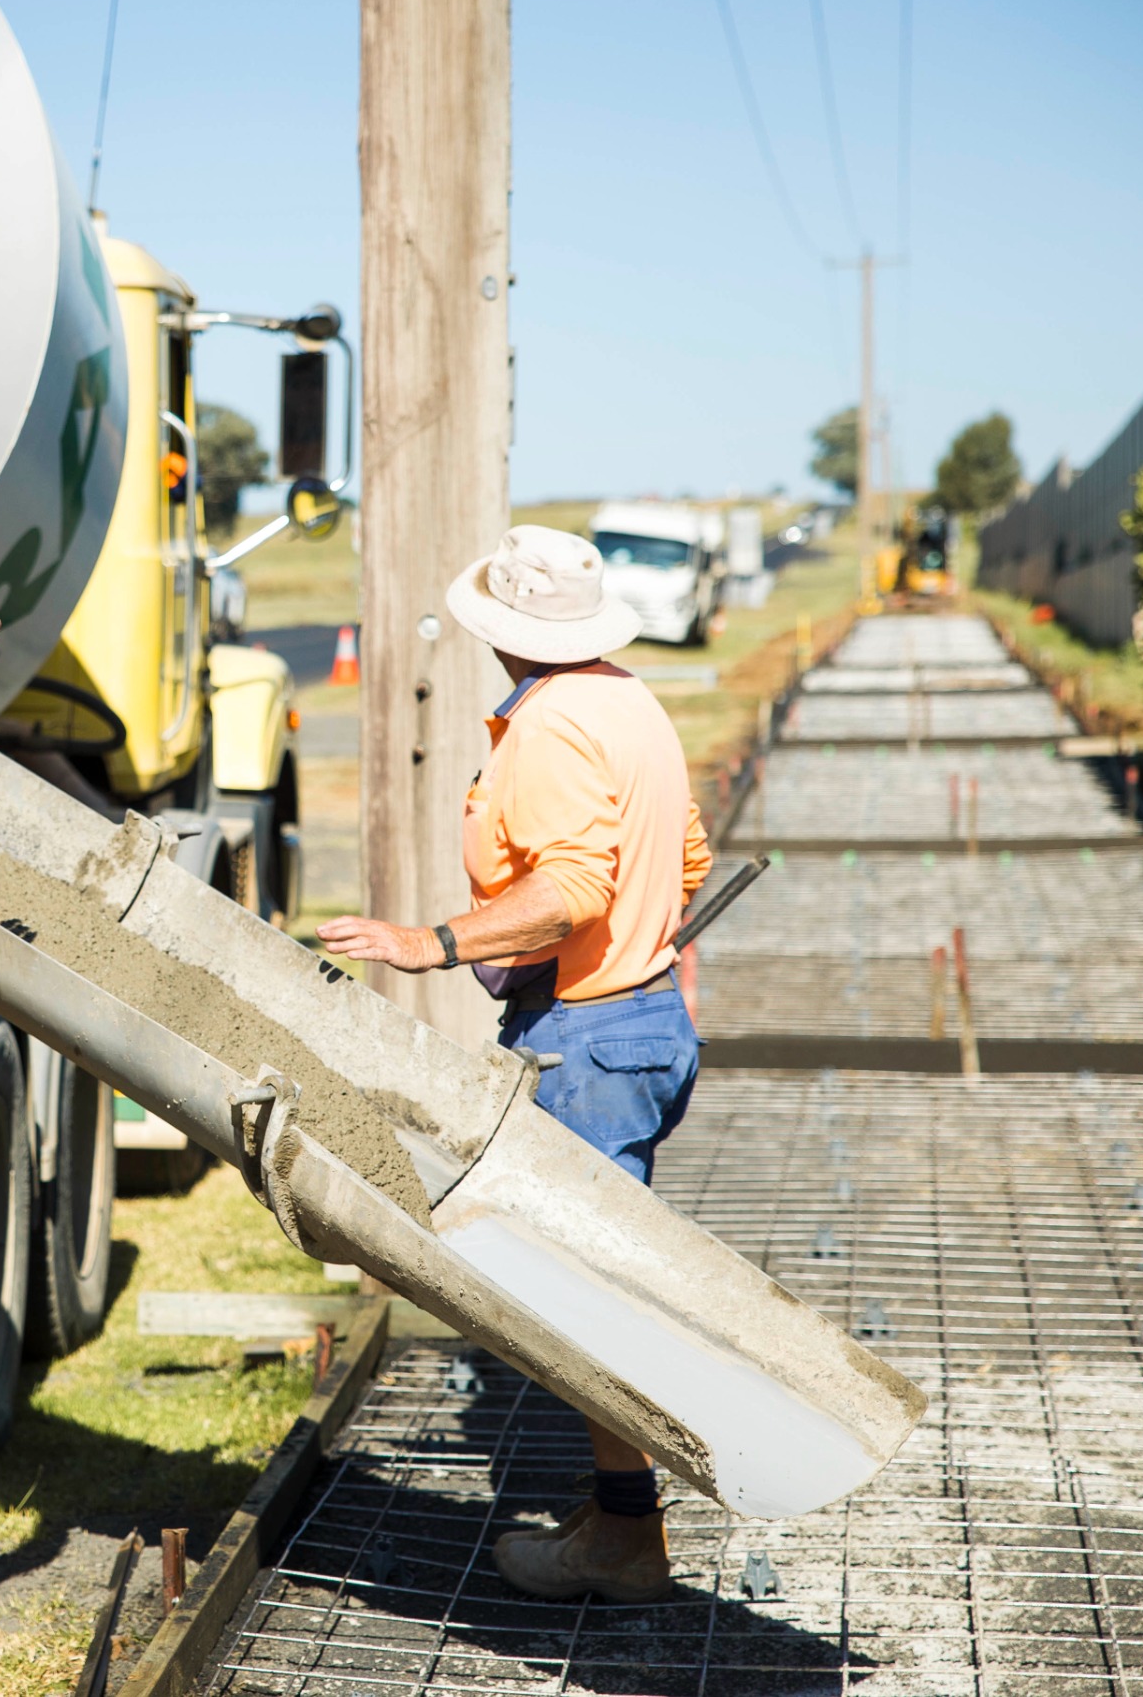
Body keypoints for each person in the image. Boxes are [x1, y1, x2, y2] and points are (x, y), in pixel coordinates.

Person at [318, 526, 710, 1605]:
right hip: (641, 1024)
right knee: (597, 1277)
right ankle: (619, 1510)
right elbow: (684, 858)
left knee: (589, 1297)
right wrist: (654, 966)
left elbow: (574, 886)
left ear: (497, 629)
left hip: (586, 1036)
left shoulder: (546, 728)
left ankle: (626, 1542)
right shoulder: (630, 700)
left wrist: (426, 942)